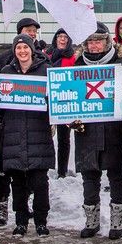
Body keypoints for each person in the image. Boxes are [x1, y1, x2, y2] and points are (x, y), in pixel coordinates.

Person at [73, 23, 122, 240]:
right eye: (89, 41)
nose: (93, 45)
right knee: (89, 176)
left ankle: (117, 221)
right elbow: (68, 98)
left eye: (98, 40)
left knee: (117, 176)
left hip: (115, 131)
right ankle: (91, 220)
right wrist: (68, 118)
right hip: (86, 131)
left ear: (108, 41)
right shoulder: (77, 65)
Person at [0, 34, 55, 235]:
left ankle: (41, 221)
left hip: (39, 134)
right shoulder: (6, 72)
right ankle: (20, 221)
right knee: (17, 182)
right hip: (13, 135)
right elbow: (0, 110)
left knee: (40, 182)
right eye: (18, 48)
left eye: (25, 48)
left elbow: (56, 100)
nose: (22, 51)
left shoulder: (46, 71)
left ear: (31, 49)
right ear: (14, 51)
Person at [47, 28, 77, 178]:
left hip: (66, 102)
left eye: (66, 37)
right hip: (48, 101)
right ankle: (47, 167)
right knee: (45, 136)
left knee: (63, 139)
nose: (62, 39)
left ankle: (62, 171)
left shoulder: (73, 58)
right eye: (60, 36)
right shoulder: (47, 55)